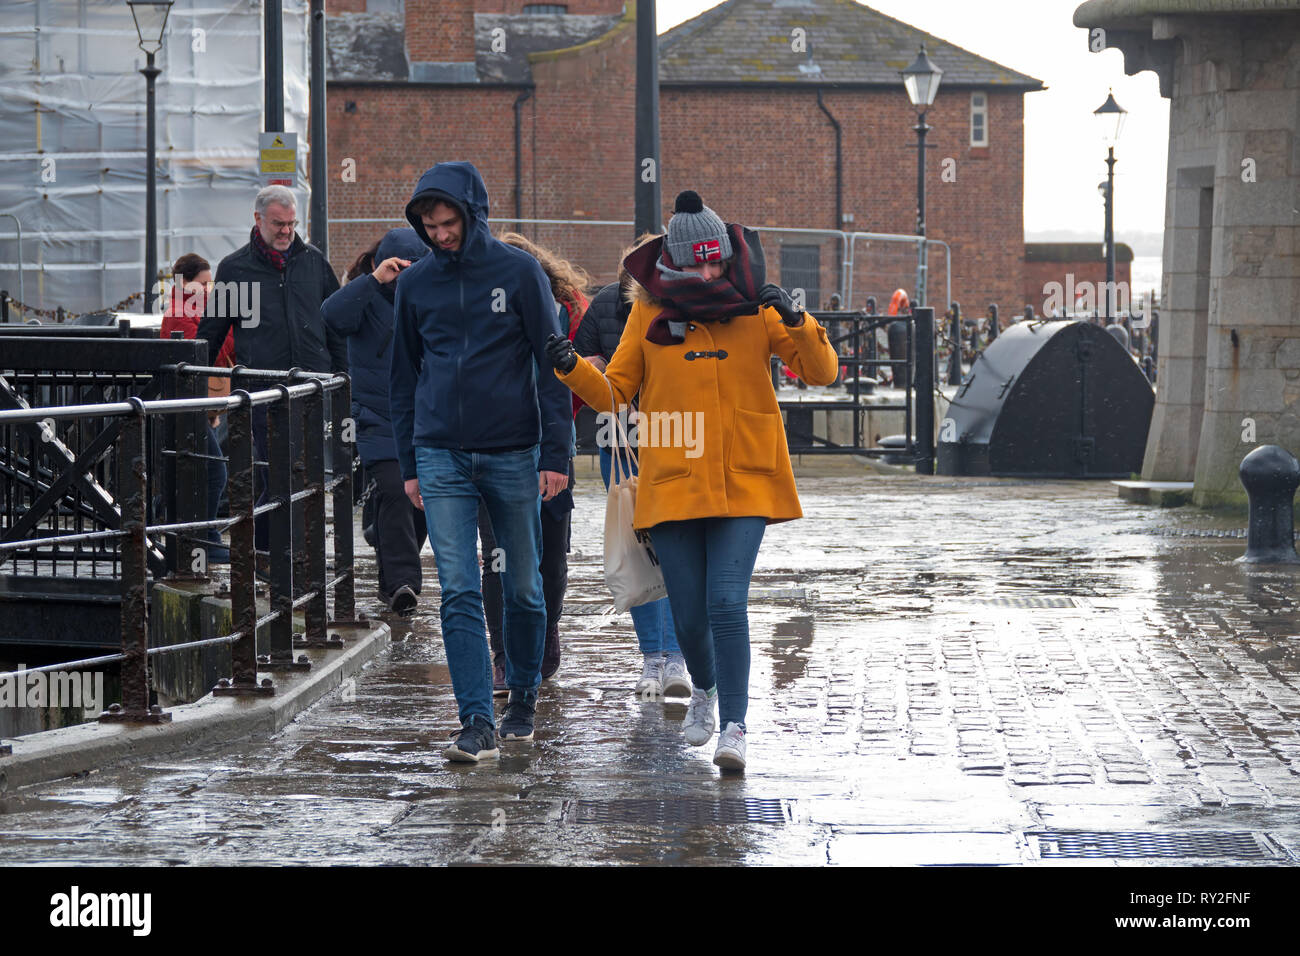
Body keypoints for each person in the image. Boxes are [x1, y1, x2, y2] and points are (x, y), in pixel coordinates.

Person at [546, 190, 839, 771]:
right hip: (672, 480)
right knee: (687, 614)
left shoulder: (757, 309)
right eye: (697, 262)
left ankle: (734, 725)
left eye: (716, 260)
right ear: (673, 264)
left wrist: (797, 319)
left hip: (746, 478)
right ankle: (704, 690)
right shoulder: (646, 315)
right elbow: (614, 392)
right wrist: (571, 366)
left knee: (727, 602)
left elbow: (821, 370)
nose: (708, 272)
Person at [390, 161, 571, 763]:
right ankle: (475, 719)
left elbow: (553, 364)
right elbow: (402, 377)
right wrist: (410, 462)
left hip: (514, 451)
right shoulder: (415, 285)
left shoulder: (519, 273)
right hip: (440, 452)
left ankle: (522, 695)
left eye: (448, 222)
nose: (440, 234)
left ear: (473, 215)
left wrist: (556, 452)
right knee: (459, 588)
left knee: (522, 586)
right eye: (429, 225)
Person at [196, 185, 345, 552]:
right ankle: (272, 553)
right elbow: (213, 331)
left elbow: (335, 325)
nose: (286, 231)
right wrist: (193, 385)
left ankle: (290, 553)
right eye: (278, 223)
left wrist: (344, 377)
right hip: (263, 391)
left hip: (313, 388)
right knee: (274, 473)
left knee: (308, 475)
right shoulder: (237, 269)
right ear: (258, 219)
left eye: (292, 223)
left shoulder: (313, 262)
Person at [571, 234, 688, 699]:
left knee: (676, 550)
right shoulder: (606, 305)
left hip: (676, 434)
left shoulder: (688, 306)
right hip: (621, 441)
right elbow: (582, 369)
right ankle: (653, 656)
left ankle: (677, 656)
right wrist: (588, 366)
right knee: (639, 548)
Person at [478, 232, 586, 693]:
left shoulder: (560, 312)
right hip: (491, 447)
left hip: (548, 446)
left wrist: (557, 453)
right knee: (497, 557)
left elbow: (566, 384)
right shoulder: (478, 309)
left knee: (550, 554)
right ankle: (503, 653)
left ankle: (545, 635)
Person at [321, 228, 429, 615]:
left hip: (426, 418)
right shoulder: (363, 297)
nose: (402, 275)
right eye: (396, 266)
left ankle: (391, 571)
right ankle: (403, 584)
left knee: (421, 503)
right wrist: (373, 281)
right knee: (397, 491)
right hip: (377, 417)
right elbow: (331, 316)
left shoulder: (428, 298)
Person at [160, 253, 231, 563]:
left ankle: (186, 532)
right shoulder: (180, 314)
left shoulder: (194, 310)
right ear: (185, 283)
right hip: (185, 402)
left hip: (193, 402)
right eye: (203, 283)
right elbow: (210, 354)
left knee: (194, 470)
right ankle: (207, 538)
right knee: (214, 471)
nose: (208, 288)